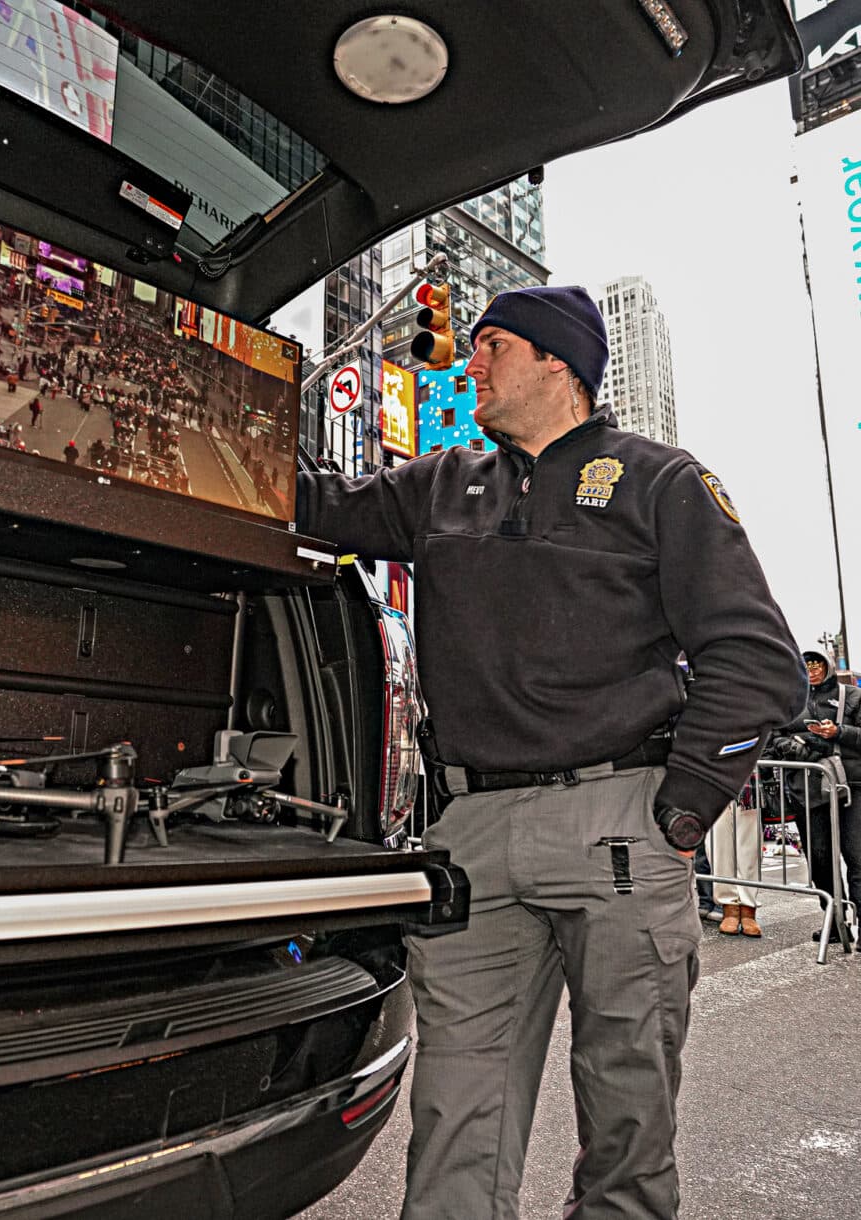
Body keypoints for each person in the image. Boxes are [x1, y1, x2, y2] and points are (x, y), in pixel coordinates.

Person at [295, 285, 805, 1219]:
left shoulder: (661, 481)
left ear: (557, 363)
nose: (468, 364)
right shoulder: (439, 485)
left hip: (620, 823)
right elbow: (306, 502)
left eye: (491, 346)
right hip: (472, 832)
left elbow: (760, 664)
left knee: (628, 1116)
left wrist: (680, 812)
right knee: (456, 1112)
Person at [768, 648, 861, 935]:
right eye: (806, 664)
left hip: (850, 786)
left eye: (817, 663)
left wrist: (838, 733)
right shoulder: (789, 699)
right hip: (805, 789)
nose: (812, 669)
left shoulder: (853, 696)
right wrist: (793, 747)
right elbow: (772, 739)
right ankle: (835, 922)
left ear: (829, 665)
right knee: (820, 859)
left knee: (856, 856)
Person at [711, 778, 762, 936]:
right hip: (712, 784)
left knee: (749, 850)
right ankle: (729, 909)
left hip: (747, 783)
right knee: (718, 848)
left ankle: (748, 910)